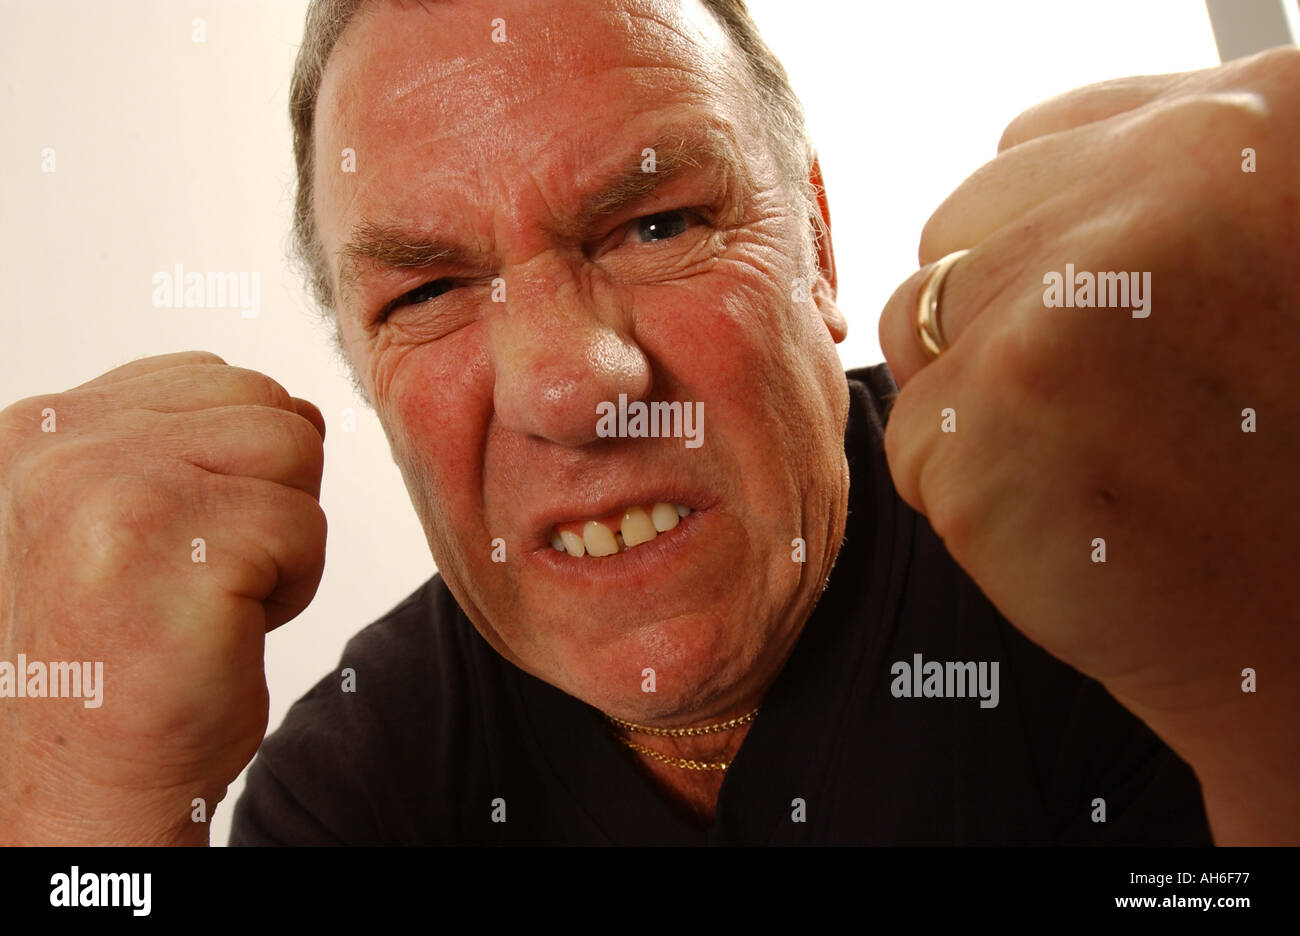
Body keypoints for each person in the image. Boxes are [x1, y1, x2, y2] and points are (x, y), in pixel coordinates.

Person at [1, 0, 1296, 845]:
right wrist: (71, 806)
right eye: (432, 290)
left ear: (820, 249)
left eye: (659, 223)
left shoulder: (1131, 551)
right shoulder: (353, 789)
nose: (572, 385)